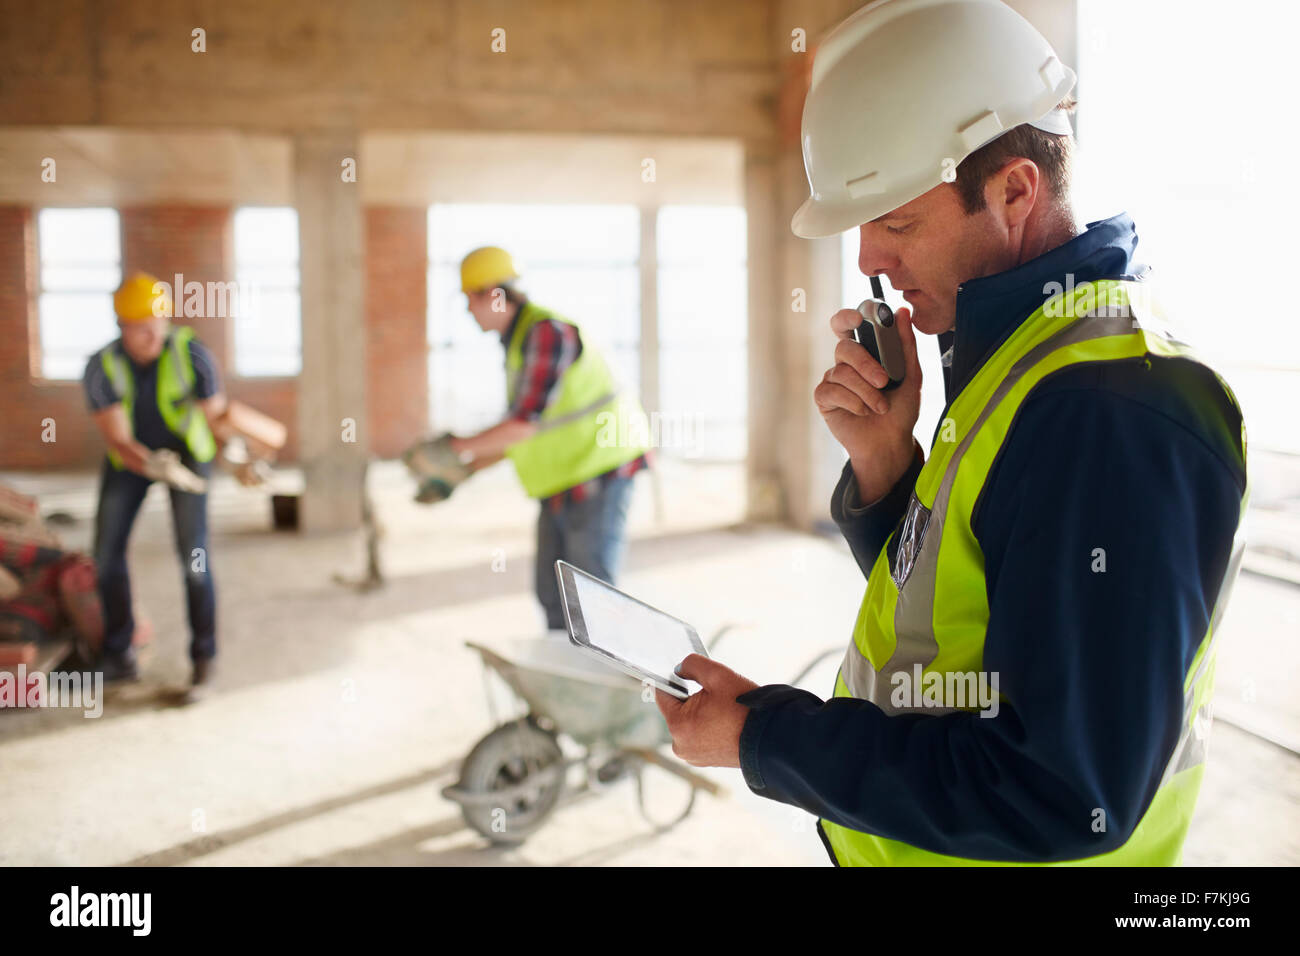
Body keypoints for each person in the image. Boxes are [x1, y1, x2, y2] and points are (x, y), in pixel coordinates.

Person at [656, 0, 1248, 866]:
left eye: (896, 223)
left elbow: (1061, 791)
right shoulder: (1025, 365)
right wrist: (887, 464)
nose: (869, 259)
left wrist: (765, 739)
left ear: (1015, 191)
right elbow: (968, 621)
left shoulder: (1107, 413)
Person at [448, 247, 651, 630]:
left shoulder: (547, 333)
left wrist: (453, 448)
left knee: (593, 604)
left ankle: (602, 669)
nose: (468, 310)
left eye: (470, 298)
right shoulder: (519, 342)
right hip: (564, 478)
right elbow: (531, 430)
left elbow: (523, 425)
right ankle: (566, 666)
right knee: (554, 596)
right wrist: (467, 468)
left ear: (494, 294)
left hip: (598, 470)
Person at [83, 272, 228, 694]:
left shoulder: (192, 354)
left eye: (158, 324)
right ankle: (119, 654)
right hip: (132, 459)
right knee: (106, 555)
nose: (153, 335)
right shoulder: (101, 367)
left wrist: (237, 455)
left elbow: (216, 418)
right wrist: (152, 464)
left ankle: (203, 658)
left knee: (195, 558)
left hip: (189, 458)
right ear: (122, 326)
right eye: (141, 328)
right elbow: (118, 438)